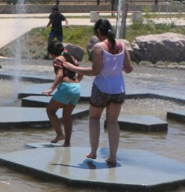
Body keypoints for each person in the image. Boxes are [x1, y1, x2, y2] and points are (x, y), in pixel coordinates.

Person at [63, 18, 133, 165]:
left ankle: (94, 152)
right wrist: (117, 66)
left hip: (101, 89)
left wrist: (73, 68)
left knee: (94, 118)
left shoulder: (98, 47)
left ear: (99, 32)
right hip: (118, 89)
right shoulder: (122, 46)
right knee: (113, 122)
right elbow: (129, 69)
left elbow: (95, 71)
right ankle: (113, 156)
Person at [41, 39, 81, 147]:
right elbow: (81, 72)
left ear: (52, 52)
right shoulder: (72, 58)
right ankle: (67, 143)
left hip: (66, 88)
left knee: (50, 110)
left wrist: (51, 89)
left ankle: (59, 134)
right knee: (67, 116)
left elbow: (59, 74)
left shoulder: (58, 60)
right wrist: (75, 82)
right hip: (77, 88)